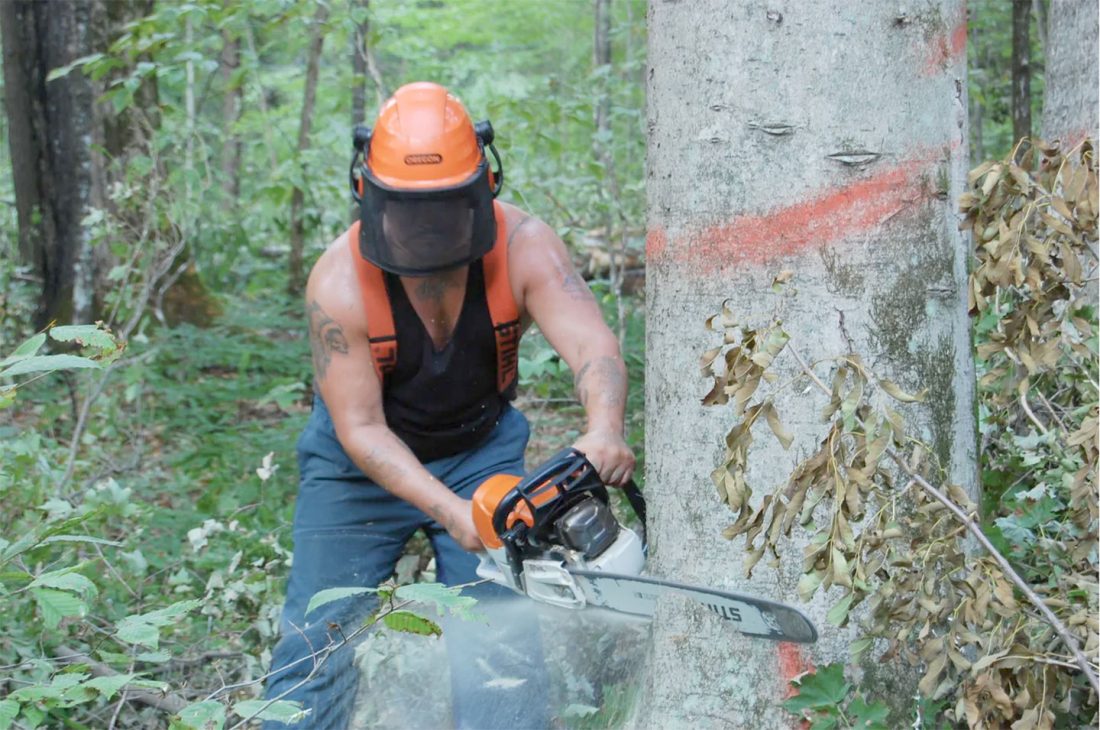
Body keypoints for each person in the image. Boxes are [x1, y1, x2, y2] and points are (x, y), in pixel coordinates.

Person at [263, 81, 634, 729]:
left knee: (499, 645)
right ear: (369, 194)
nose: (427, 226)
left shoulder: (524, 246)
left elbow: (591, 344)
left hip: (478, 449)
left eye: (446, 206)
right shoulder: (339, 281)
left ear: (483, 187)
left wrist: (604, 428)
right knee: (318, 636)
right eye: (408, 209)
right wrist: (448, 511)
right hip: (355, 470)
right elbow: (360, 428)